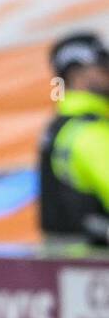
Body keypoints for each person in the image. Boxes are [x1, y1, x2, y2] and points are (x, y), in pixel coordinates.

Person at [39, 32, 109, 246]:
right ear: (76, 75)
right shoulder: (88, 131)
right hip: (94, 267)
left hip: (66, 268)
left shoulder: (59, 127)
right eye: (103, 67)